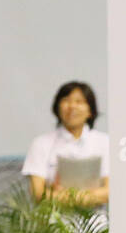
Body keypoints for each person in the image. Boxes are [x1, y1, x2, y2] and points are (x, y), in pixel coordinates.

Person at [22, 81, 109, 209]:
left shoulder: (105, 142)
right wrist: (90, 197)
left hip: (95, 225)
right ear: (57, 107)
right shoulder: (41, 144)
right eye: (66, 100)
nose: (72, 106)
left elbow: (110, 192)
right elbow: (38, 195)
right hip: (55, 225)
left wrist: (61, 196)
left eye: (79, 102)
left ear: (90, 111)